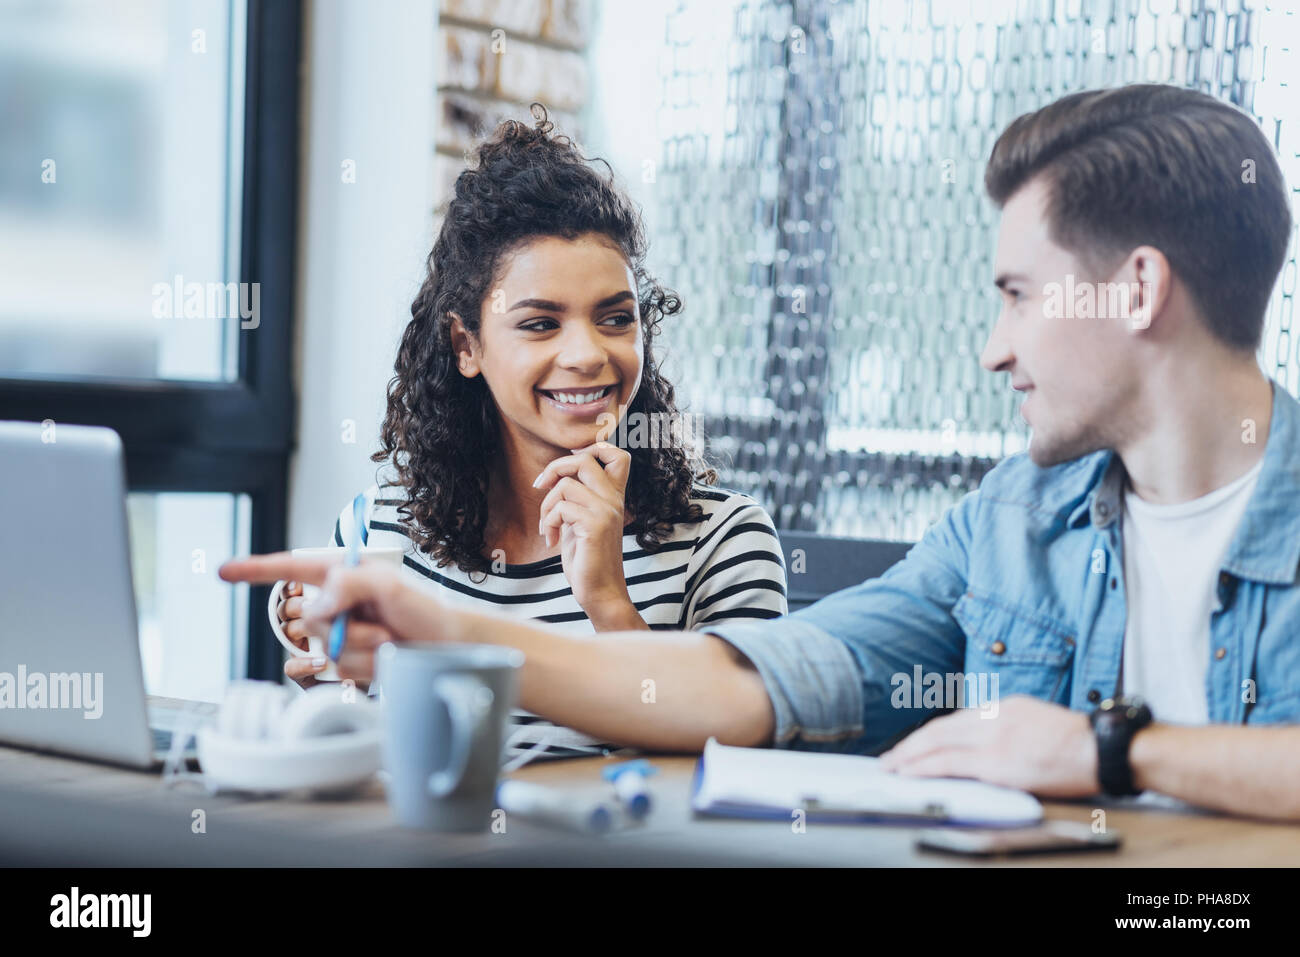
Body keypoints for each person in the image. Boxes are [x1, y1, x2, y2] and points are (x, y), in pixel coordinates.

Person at [224, 84, 1300, 820]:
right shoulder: (1007, 527)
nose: (991, 347)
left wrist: (1111, 752)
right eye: (539, 322)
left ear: (1135, 291)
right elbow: (751, 689)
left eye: (1015, 295)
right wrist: (441, 627)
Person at [272, 107, 786, 759]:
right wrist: (330, 672)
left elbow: (734, 774)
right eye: (541, 324)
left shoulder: (725, 541)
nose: (588, 354)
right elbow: (345, 770)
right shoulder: (378, 535)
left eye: (615, 318)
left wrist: (607, 598)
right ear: (467, 344)